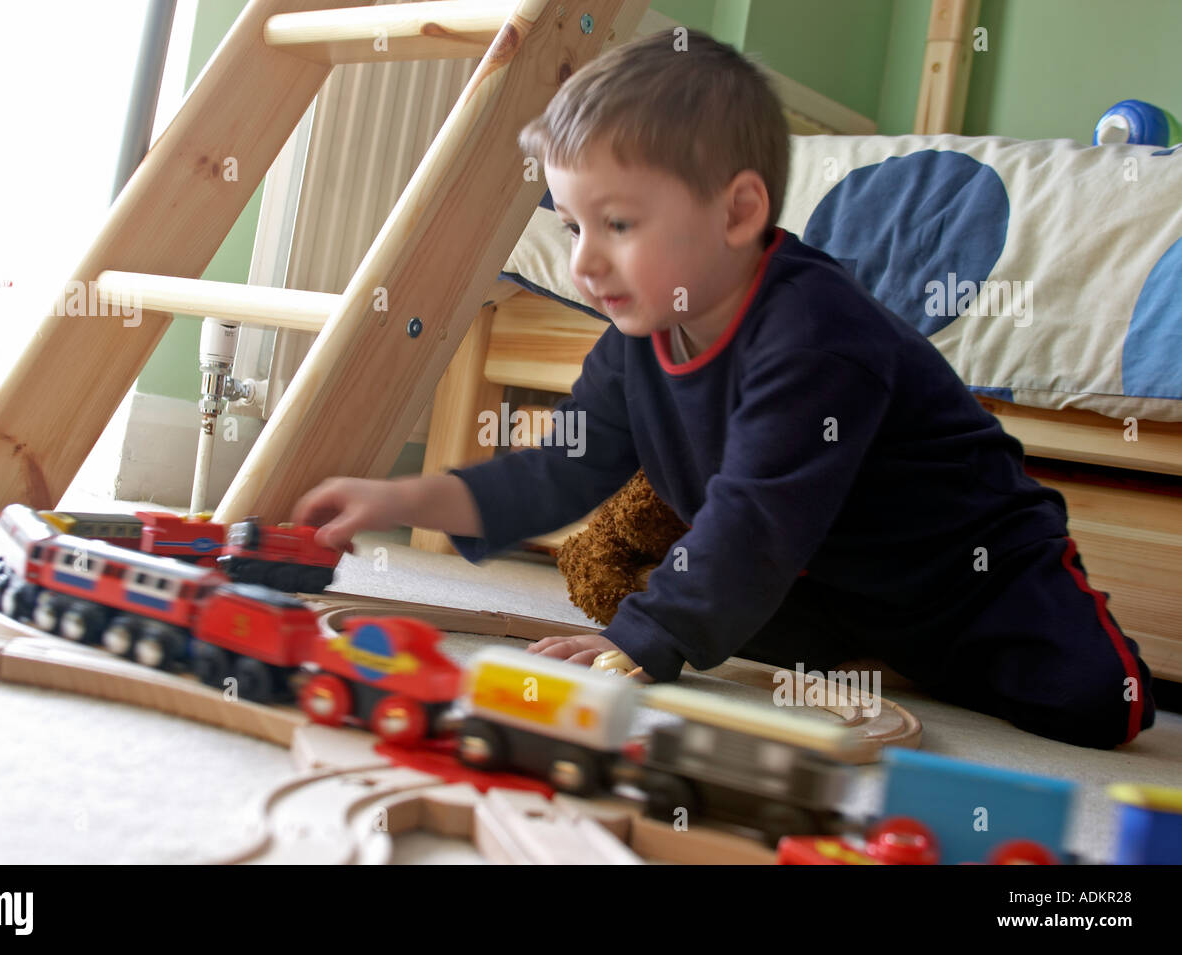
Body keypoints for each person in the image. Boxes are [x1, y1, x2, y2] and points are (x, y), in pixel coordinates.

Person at [293, 29, 1154, 749]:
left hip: (968, 573)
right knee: (714, 608)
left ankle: (1010, 650)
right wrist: (402, 497)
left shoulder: (816, 330)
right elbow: (552, 474)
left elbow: (757, 511)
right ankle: (873, 648)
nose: (585, 263)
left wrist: (642, 642)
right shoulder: (638, 335)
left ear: (738, 213)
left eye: (618, 224)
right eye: (570, 226)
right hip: (825, 583)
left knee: (1093, 704)